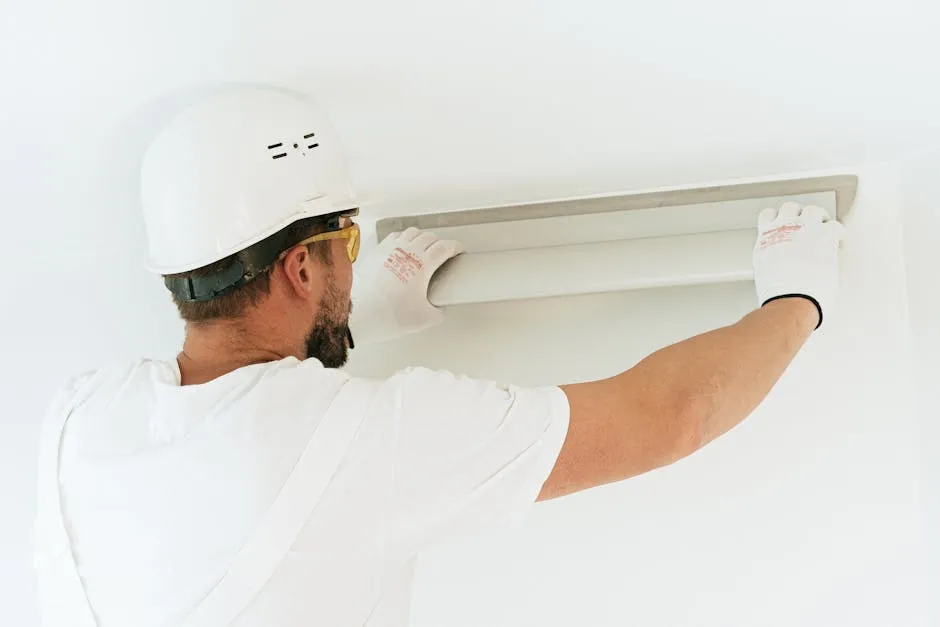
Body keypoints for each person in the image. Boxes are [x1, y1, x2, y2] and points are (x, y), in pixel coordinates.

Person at [33, 86, 845, 627]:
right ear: (301, 267)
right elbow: (671, 416)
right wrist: (795, 301)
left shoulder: (77, 422)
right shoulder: (383, 436)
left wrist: (358, 327)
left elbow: (253, 464)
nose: (354, 259)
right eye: (344, 240)